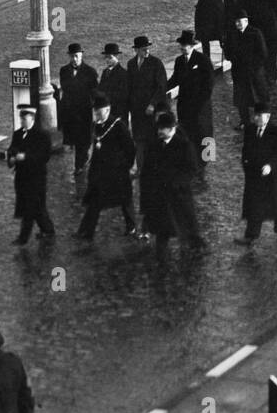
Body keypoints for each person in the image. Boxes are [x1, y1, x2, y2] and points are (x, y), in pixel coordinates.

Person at [138, 112, 203, 254]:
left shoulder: (184, 145)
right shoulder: (154, 145)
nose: (160, 131)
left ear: (172, 129)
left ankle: (195, 247)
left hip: (179, 193)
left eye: (164, 128)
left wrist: (178, 182)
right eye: (159, 128)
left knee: (187, 222)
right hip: (161, 193)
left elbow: (192, 169)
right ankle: (161, 250)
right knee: (163, 225)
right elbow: (147, 169)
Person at [76, 92, 138, 239]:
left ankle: (132, 227)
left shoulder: (118, 126)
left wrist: (126, 166)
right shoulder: (97, 126)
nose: (96, 113)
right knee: (95, 202)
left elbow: (130, 148)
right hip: (100, 172)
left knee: (125, 201)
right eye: (95, 111)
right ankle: (86, 231)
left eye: (99, 111)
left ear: (107, 110)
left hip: (117, 171)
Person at [235, 103, 277, 246]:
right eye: (255, 115)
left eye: (260, 115)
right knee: (254, 205)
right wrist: (246, 166)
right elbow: (246, 150)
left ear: (268, 117)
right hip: (254, 174)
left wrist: (270, 166)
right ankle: (251, 235)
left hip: (272, 175)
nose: (256, 118)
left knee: (276, 204)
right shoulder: (250, 130)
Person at [7, 106, 54, 245]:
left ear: (32, 118)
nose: (22, 121)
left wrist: (25, 157)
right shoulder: (17, 134)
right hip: (21, 178)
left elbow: (45, 156)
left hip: (36, 178)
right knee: (37, 207)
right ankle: (48, 229)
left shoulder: (42, 135)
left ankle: (23, 238)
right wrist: (11, 158)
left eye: (25, 118)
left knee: (29, 208)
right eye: (21, 118)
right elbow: (12, 149)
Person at [168, 31, 214, 162]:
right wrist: (162, 89)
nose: (182, 47)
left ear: (192, 45)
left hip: (200, 105)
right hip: (184, 104)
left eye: (185, 45)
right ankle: (191, 159)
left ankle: (208, 158)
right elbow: (175, 79)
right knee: (187, 131)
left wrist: (202, 102)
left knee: (204, 131)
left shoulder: (202, 60)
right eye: (181, 44)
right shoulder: (179, 61)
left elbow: (209, 84)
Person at [126, 34, 169, 163]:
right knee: (138, 139)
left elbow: (162, 86)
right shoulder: (131, 64)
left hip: (151, 111)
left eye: (148, 48)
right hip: (137, 110)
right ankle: (140, 167)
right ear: (136, 50)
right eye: (144, 49)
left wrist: (152, 104)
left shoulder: (156, 63)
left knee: (153, 138)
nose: (147, 51)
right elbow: (129, 87)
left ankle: (154, 167)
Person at [56, 42, 97, 174]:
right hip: (69, 112)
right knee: (72, 139)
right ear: (69, 56)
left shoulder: (90, 72)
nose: (74, 59)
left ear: (81, 55)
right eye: (72, 56)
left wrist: (95, 111)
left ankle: (79, 165)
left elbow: (94, 93)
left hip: (84, 112)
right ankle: (81, 160)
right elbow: (65, 90)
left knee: (83, 141)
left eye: (77, 56)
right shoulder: (64, 71)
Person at [225, 9, 270, 128]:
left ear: (246, 21)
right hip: (239, 72)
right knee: (241, 100)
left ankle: (261, 121)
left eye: (240, 21)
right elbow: (228, 53)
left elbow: (263, 53)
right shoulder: (232, 34)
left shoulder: (255, 33)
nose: (237, 24)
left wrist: (254, 67)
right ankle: (244, 121)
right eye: (236, 22)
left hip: (254, 72)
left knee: (258, 97)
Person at [98, 42, 129, 122]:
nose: (107, 60)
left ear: (116, 57)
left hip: (118, 113)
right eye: (106, 57)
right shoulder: (105, 72)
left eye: (110, 57)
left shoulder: (123, 73)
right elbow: (101, 89)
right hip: (106, 112)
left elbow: (123, 96)